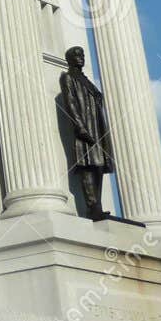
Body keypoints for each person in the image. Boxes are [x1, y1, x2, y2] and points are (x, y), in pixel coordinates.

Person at [59, 47, 116, 220]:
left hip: (97, 127)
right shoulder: (68, 78)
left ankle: (97, 205)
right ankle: (92, 207)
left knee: (98, 166)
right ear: (69, 59)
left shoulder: (85, 79)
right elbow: (71, 103)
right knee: (88, 167)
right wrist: (80, 126)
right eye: (77, 56)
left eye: (82, 55)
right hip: (85, 128)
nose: (81, 58)